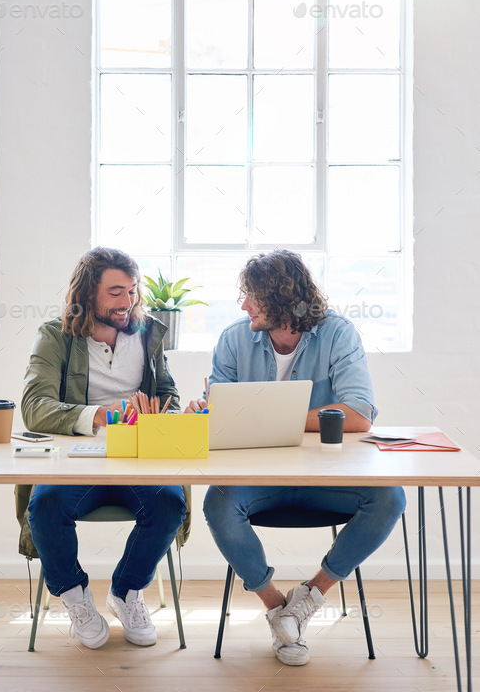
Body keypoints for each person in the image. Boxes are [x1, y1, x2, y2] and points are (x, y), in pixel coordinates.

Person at [186, 249, 405, 667]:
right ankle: (277, 608)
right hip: (260, 480)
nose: (243, 305)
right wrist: (207, 414)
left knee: (390, 497)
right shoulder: (234, 339)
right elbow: (220, 415)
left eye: (252, 296)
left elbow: (358, 414)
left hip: (326, 478)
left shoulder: (338, 334)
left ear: (280, 299)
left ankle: (309, 597)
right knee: (217, 503)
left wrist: (271, 419)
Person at [20, 247, 187, 650]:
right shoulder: (56, 336)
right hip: (78, 458)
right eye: (115, 292)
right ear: (88, 292)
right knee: (44, 508)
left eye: (131, 291)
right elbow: (33, 407)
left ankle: (127, 592)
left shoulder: (148, 333)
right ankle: (75, 597)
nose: (126, 302)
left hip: (137, 456)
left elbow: (168, 394)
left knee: (169, 505)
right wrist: (98, 415)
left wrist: (168, 416)